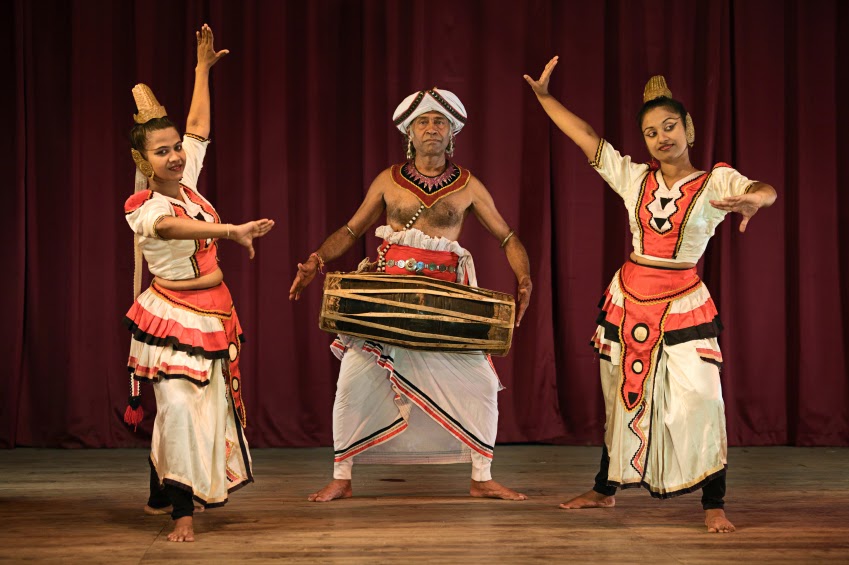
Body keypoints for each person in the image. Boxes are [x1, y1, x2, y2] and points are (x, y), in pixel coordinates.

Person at [524, 57, 776, 533]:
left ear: (688, 128)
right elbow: (586, 138)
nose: (662, 137)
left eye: (669, 126)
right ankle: (604, 490)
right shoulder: (635, 178)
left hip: (682, 301)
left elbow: (765, 189)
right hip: (629, 298)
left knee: (703, 399)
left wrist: (753, 200)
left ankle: (714, 502)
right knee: (620, 395)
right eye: (651, 132)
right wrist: (544, 98)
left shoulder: (716, 181)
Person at [289, 88, 533, 502]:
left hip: (445, 303)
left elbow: (507, 236)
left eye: (439, 122)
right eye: (423, 122)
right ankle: (341, 477)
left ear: (452, 132)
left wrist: (524, 278)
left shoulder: (469, 186)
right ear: (410, 132)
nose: (431, 128)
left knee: (481, 385)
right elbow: (352, 229)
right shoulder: (388, 180)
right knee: (352, 382)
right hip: (388, 297)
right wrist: (317, 258)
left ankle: (482, 477)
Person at [122, 24, 274, 542]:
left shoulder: (185, 185)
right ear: (142, 161)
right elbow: (169, 229)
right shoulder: (144, 206)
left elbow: (198, 128)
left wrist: (201, 70)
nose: (175, 156)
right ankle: (181, 512)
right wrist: (230, 230)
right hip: (171, 317)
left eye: (175, 149)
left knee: (200, 407)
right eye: (161, 152)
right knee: (181, 409)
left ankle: (160, 492)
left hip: (214, 311)